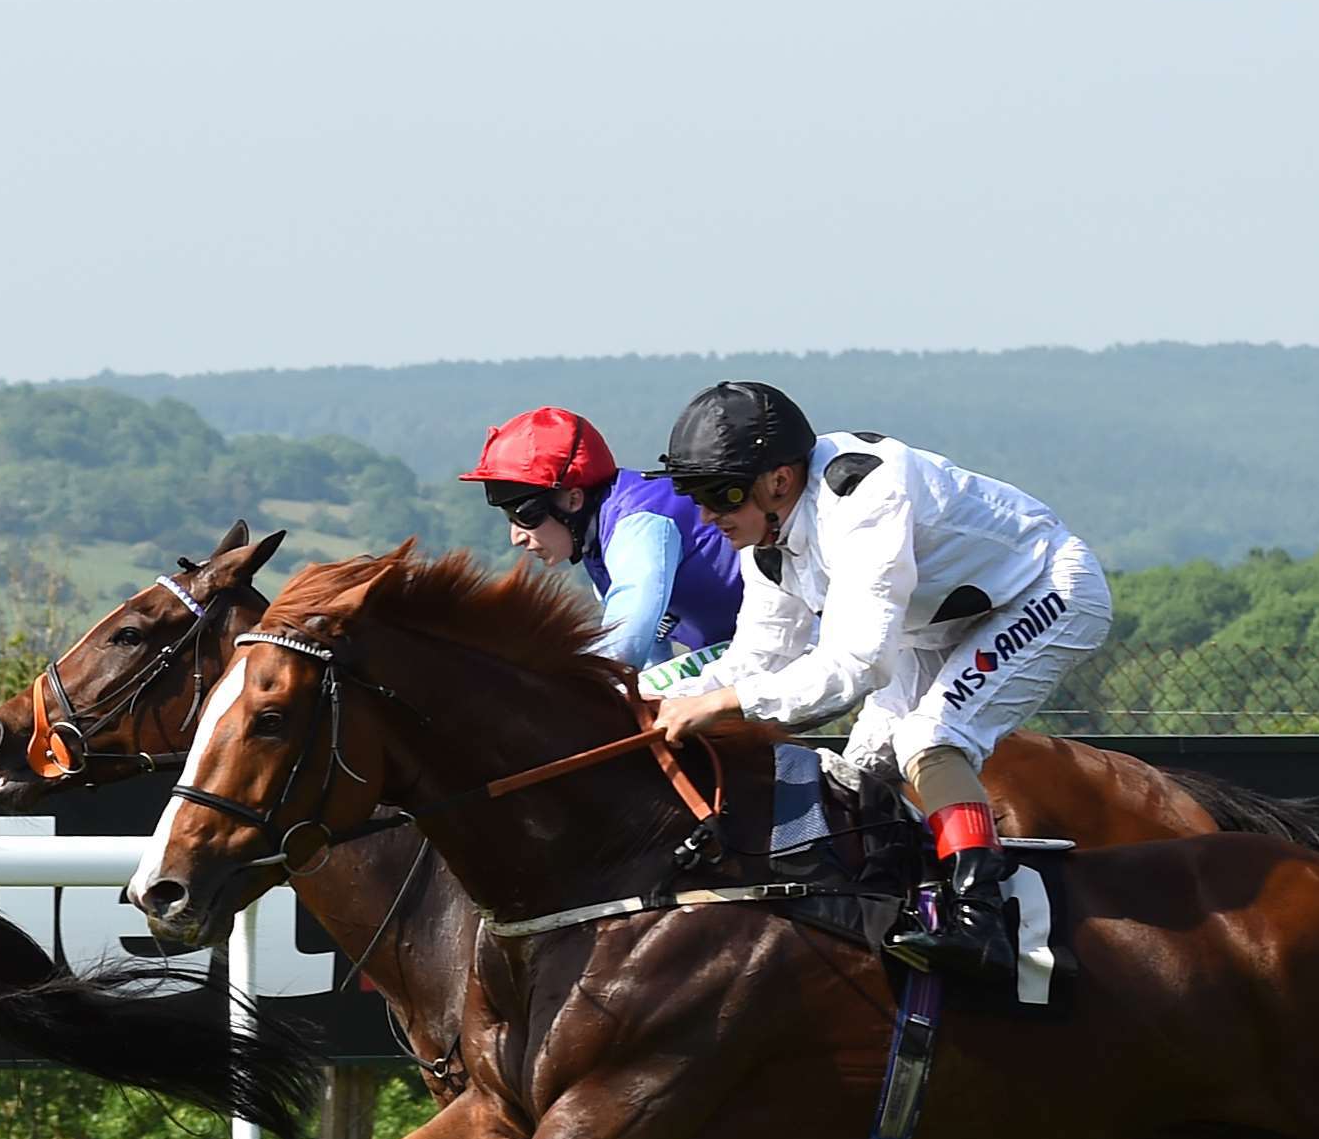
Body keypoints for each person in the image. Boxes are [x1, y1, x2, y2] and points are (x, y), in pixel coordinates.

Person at [642, 381, 1111, 982]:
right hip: (936, 630)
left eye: (718, 495)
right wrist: (663, 702)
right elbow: (757, 659)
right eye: (694, 495)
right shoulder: (764, 538)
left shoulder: (863, 496)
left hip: (1046, 591)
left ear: (779, 481)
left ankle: (981, 919)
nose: (707, 516)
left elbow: (858, 667)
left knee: (930, 741)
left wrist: (721, 704)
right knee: (859, 772)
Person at [461, 406, 746, 670]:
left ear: (573, 500)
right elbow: (647, 662)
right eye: (508, 517)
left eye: (525, 516)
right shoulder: (595, 541)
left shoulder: (637, 526)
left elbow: (624, 647)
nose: (516, 537)